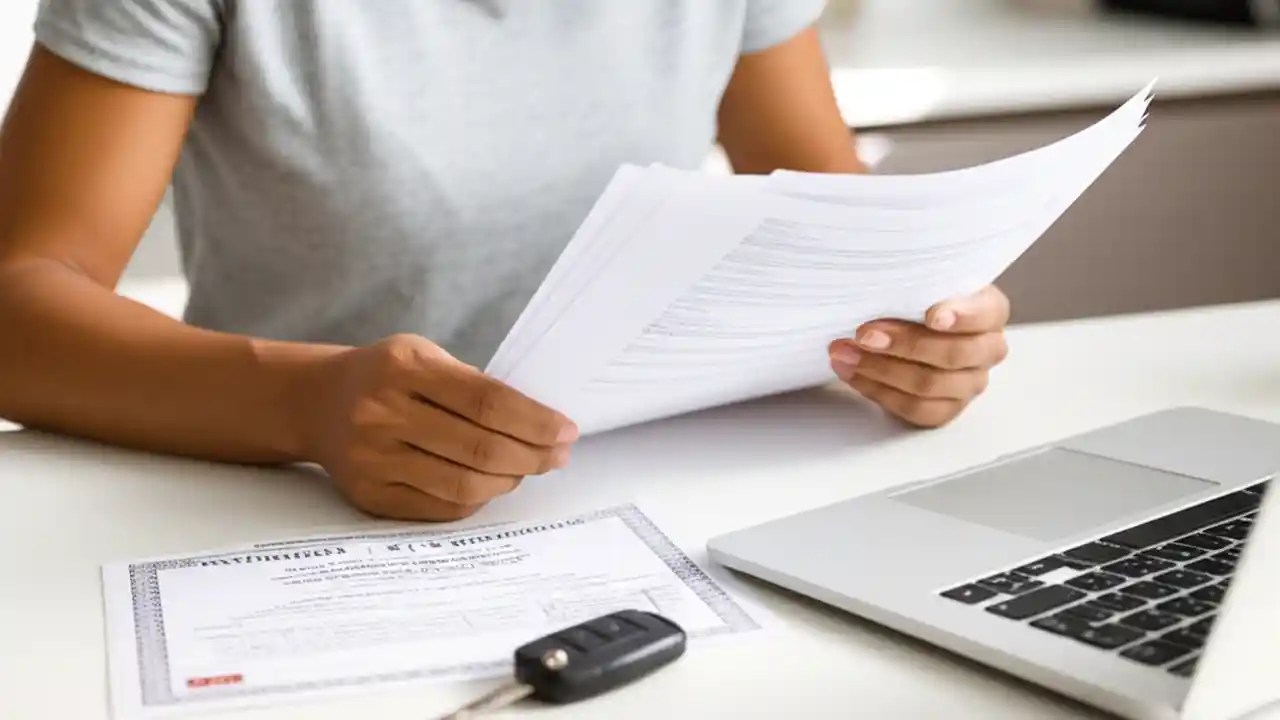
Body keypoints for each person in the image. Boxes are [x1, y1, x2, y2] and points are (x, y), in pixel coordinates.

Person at [0, 1, 1010, 522]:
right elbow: (19, 313)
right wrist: (304, 408)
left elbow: (834, 231)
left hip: (657, 497)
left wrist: (915, 330)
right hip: (291, 507)